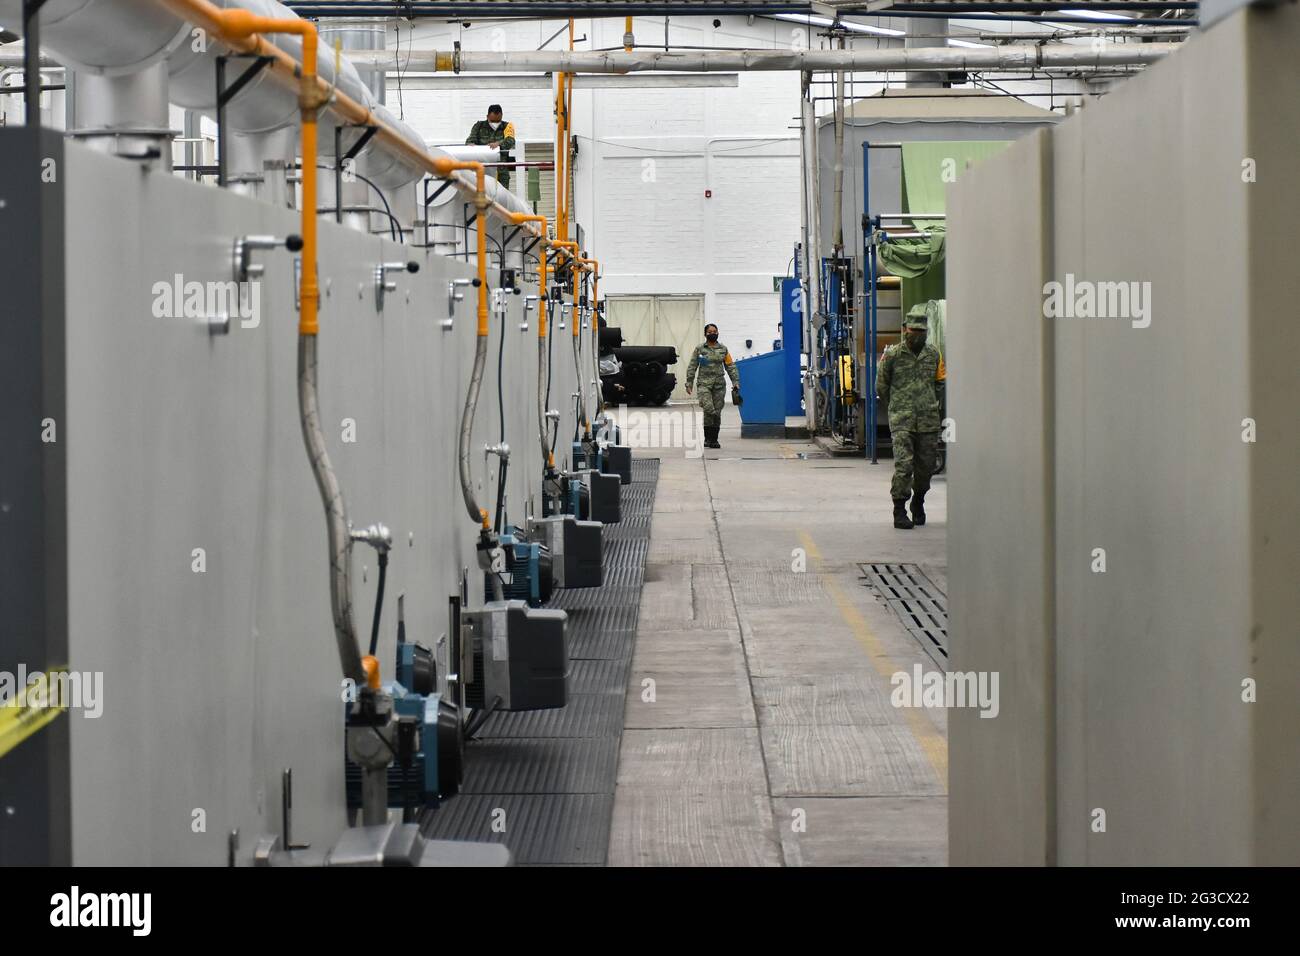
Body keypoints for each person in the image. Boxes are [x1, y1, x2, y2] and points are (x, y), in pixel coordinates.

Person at [876, 304, 946, 529]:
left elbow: (940, 382)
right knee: (904, 466)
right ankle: (899, 509)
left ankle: (918, 501)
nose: (917, 335)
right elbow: (882, 385)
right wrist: (896, 407)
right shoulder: (893, 355)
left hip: (928, 421)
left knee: (925, 468)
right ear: (905, 329)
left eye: (921, 331)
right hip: (902, 420)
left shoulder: (934, 354)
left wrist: (932, 404)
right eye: (913, 331)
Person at [685, 323, 741, 450]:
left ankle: (713, 439)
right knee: (709, 409)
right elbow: (692, 366)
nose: (712, 333)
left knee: (717, 412)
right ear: (705, 334)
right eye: (709, 332)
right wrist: (689, 383)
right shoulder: (700, 349)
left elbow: (730, 366)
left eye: (714, 331)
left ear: (718, 333)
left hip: (719, 385)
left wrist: (735, 381)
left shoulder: (723, 349)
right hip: (704, 384)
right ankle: (707, 438)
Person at [465, 105, 516, 189]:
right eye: (492, 120)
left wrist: (499, 144)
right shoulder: (479, 126)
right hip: (482, 169)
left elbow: (511, 140)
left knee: (502, 198)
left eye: (498, 120)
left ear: (501, 115)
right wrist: (471, 145)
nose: (495, 123)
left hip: (501, 171)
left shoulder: (507, 126)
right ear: (487, 116)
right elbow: (470, 140)